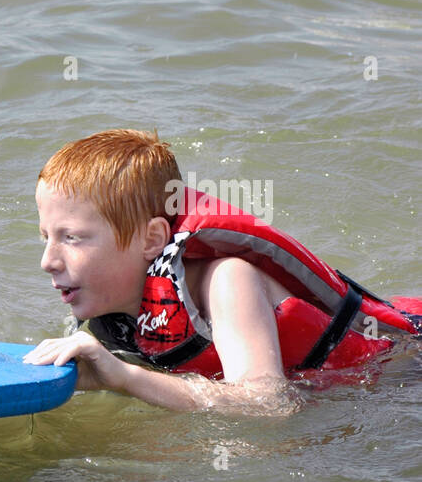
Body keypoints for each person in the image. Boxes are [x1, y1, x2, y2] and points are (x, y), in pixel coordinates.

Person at [23, 129, 422, 411]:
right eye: (46, 237)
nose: (48, 261)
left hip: (403, 375)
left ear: (150, 240)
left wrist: (126, 378)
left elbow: (267, 405)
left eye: (72, 238)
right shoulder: (114, 313)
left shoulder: (228, 280)